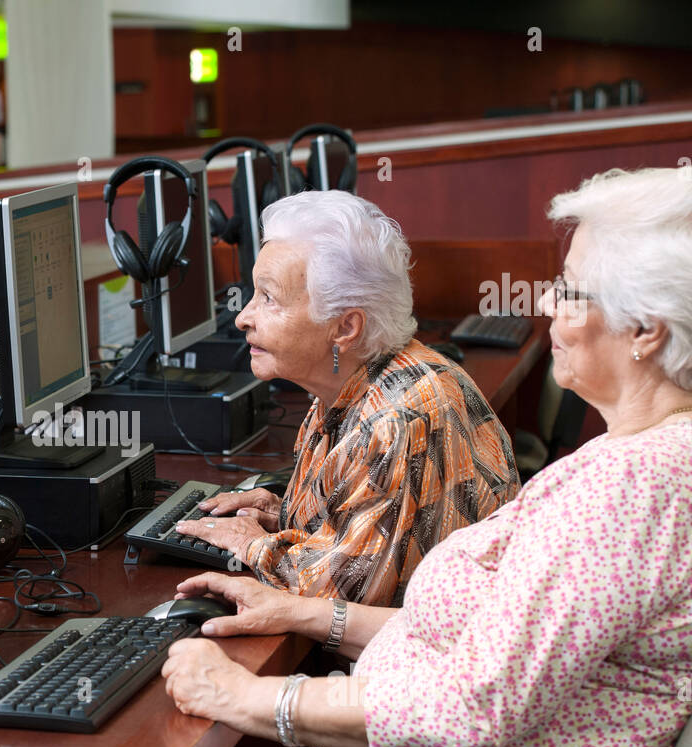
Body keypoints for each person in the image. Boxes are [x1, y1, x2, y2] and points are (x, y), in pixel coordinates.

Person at [160, 166, 692, 747]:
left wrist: (247, 696)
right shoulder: (685, 454)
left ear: (646, 329)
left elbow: (467, 711)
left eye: (572, 289)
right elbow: (500, 639)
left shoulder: (633, 493)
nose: (548, 303)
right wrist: (306, 615)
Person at [174, 190, 519, 608]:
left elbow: (348, 592)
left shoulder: (396, 420)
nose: (243, 316)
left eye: (268, 298)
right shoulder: (354, 383)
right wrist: (279, 513)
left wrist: (253, 545)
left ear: (345, 327)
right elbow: (377, 524)